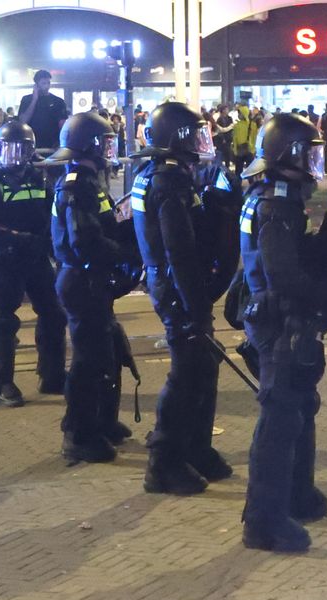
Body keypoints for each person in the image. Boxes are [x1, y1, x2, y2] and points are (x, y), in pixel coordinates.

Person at [131, 102, 235, 495]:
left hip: (173, 284)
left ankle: (196, 449)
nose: (200, 142)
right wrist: (195, 307)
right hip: (177, 287)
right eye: (194, 136)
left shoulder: (156, 174)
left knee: (204, 365)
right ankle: (164, 462)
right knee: (186, 372)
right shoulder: (168, 183)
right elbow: (179, 251)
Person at [238, 113, 327, 552]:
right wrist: (323, 290)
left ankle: (297, 496)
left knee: (297, 408)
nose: (314, 163)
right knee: (279, 419)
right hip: (279, 321)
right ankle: (264, 522)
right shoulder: (277, 206)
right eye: (308, 154)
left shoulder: (266, 195)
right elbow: (284, 275)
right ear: (289, 155)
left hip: (271, 315)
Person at [50, 111, 134, 464]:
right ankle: (79, 435)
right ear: (89, 145)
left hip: (91, 279)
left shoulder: (89, 181)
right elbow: (85, 240)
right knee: (88, 361)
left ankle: (103, 421)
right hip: (81, 280)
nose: (109, 150)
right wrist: (124, 253)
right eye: (105, 143)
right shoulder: (76, 186)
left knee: (108, 352)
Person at [0, 121, 66, 408]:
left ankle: (52, 375)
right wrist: (16, 237)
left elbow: (51, 213)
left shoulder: (40, 177)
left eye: (16, 150)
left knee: (54, 314)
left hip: (36, 256)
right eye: (5, 149)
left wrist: (48, 241)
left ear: (28, 152)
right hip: (6, 258)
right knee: (2, 321)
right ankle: (1, 384)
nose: (10, 156)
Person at [18, 70, 69, 150]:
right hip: (31, 143)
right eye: (43, 83)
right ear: (36, 85)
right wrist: (34, 99)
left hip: (52, 144)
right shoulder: (26, 99)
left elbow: (62, 123)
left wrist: (62, 142)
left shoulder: (58, 101)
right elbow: (23, 121)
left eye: (48, 83)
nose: (47, 86)